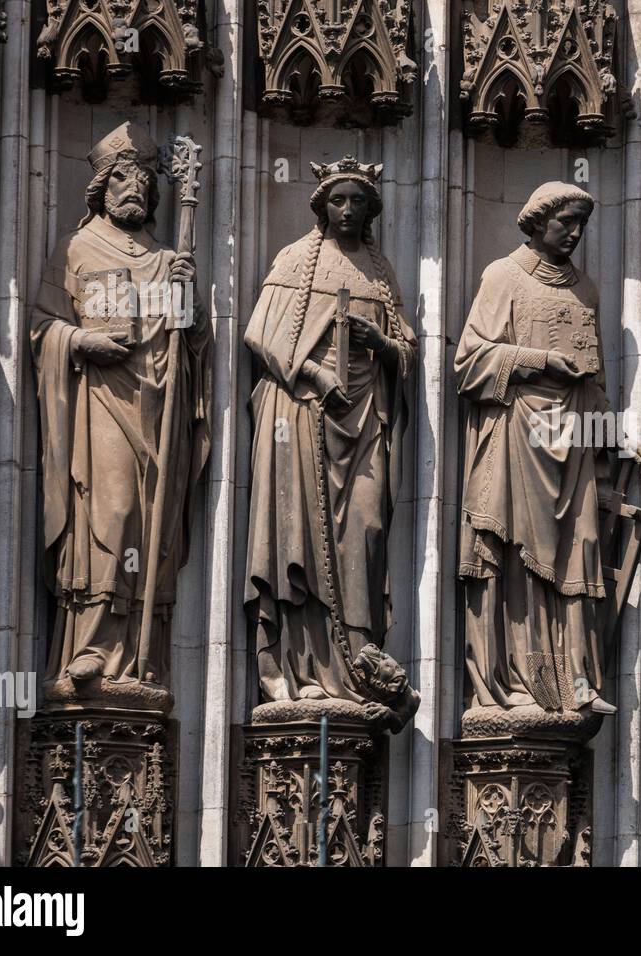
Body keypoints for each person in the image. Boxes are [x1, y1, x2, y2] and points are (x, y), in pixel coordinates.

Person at [31, 121, 211, 695]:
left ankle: (141, 655)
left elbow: (194, 344)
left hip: (158, 407)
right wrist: (80, 341)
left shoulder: (165, 257)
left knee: (147, 526)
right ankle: (90, 647)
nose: (133, 188)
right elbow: (42, 329)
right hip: (101, 403)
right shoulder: (77, 249)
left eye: (141, 180)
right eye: (122, 180)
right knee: (108, 515)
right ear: (102, 189)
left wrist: (192, 300)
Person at [456, 180, 641, 716]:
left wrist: (614, 438)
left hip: (575, 443)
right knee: (518, 558)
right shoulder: (502, 277)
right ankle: (519, 681)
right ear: (538, 222)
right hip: (520, 434)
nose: (576, 233)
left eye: (582, 224)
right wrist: (538, 360)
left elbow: (595, 384)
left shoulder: (586, 290)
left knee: (580, 547)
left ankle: (576, 680)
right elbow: (469, 363)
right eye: (567, 222)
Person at [244, 157, 416, 707]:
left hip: (366, 419)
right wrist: (315, 374)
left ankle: (357, 669)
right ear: (322, 205)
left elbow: (408, 350)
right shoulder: (296, 259)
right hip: (300, 418)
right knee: (297, 540)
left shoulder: (380, 272)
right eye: (338, 200)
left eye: (358, 201)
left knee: (364, 534)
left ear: (371, 209)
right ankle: (298, 672)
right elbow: (258, 334)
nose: (348, 210)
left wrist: (384, 344)